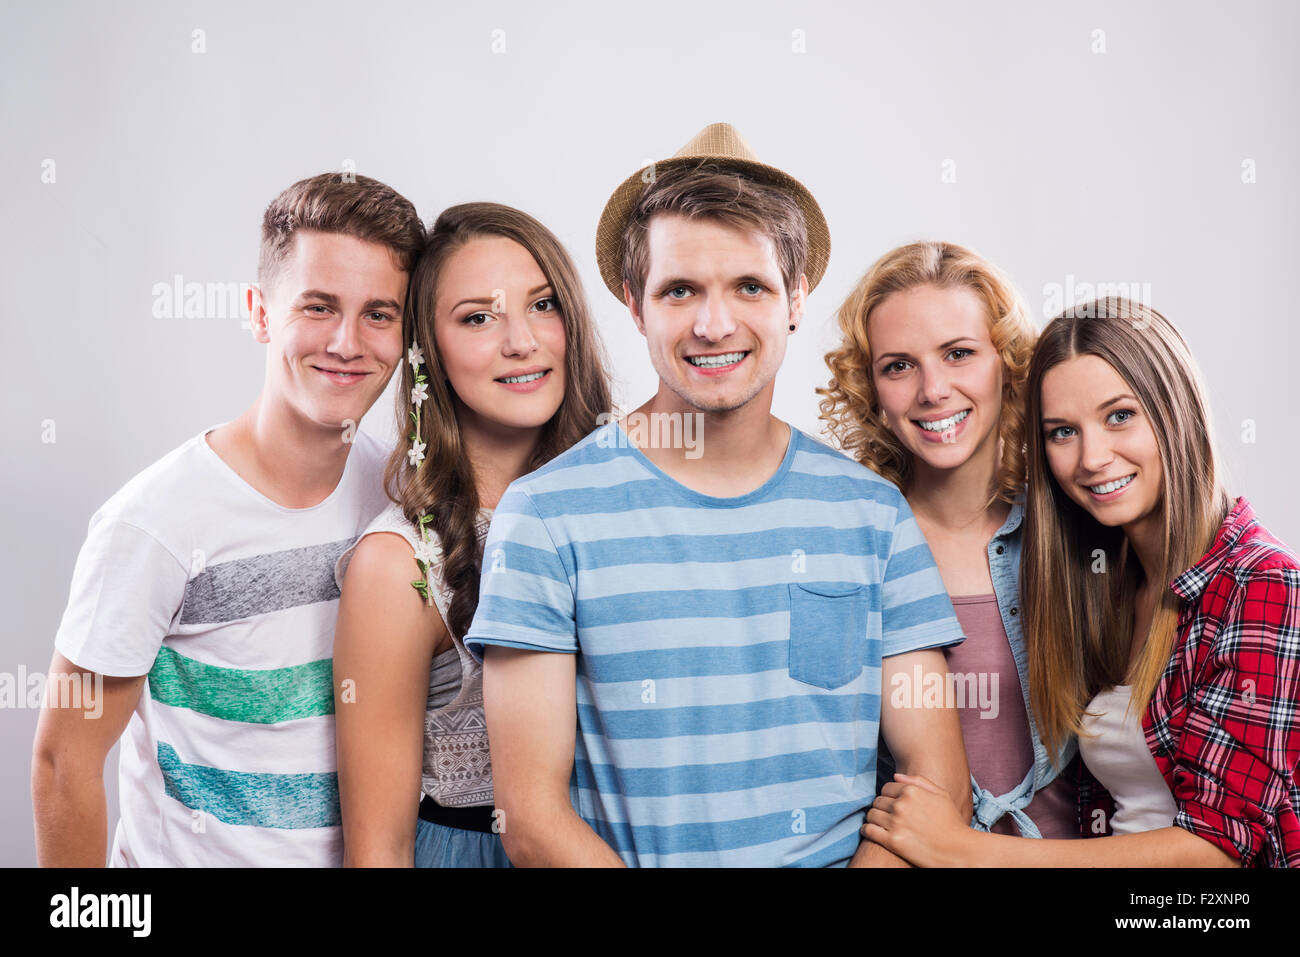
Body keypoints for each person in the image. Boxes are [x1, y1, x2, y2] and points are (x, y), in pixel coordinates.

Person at [464, 121, 973, 867]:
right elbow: (533, 817)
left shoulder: (872, 515)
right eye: (680, 290)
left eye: (749, 286)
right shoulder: (545, 516)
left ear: (795, 298)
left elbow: (937, 785)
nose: (714, 323)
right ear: (635, 305)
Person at [31, 173, 425, 866]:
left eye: (379, 314)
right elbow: (63, 764)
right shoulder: (153, 522)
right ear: (260, 312)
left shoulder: (396, 491)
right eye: (319, 305)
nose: (347, 341)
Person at [865, 297, 1300, 866]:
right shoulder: (1102, 576)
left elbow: (1217, 850)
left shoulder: (1263, 584)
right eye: (1063, 432)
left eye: (1120, 416)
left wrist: (960, 851)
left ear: (1177, 412)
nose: (1093, 457)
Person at [331, 203, 612, 867]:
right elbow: (379, 850)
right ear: (428, 351)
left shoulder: (624, 498)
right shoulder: (398, 564)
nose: (522, 340)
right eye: (478, 317)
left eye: (543, 305)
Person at [819, 240, 1078, 841]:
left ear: (1007, 361)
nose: (932, 390)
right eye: (898, 365)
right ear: (871, 391)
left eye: (958, 353)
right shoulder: (851, 544)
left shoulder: (1074, 526)